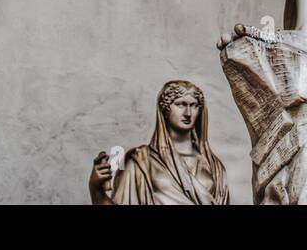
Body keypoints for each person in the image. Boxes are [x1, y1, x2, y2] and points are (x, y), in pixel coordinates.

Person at [89, 80, 229, 205]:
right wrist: (96, 190)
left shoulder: (214, 165)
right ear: (165, 109)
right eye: (180, 104)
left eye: (194, 105)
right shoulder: (141, 161)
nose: (188, 113)